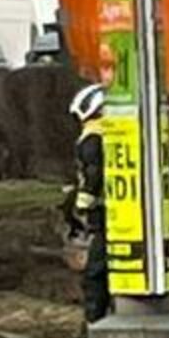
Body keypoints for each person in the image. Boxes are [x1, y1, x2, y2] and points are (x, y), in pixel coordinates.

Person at [67, 83, 111, 325]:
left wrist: (82, 205)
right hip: (117, 212)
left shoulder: (92, 138)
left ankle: (94, 324)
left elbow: (93, 176)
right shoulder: (110, 133)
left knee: (96, 273)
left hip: (105, 214)